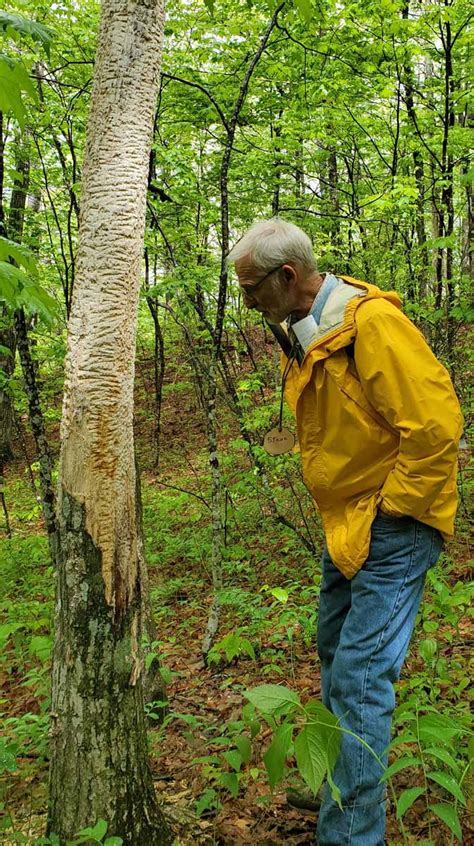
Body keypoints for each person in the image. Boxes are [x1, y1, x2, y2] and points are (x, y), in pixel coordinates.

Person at [227, 217, 463, 846]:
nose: (246, 300)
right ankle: (333, 778)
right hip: (348, 524)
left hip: (393, 523)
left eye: (251, 288)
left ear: (288, 276)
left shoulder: (373, 325)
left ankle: (351, 836)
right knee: (336, 654)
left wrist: (394, 509)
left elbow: (437, 426)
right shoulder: (306, 330)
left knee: (359, 677)